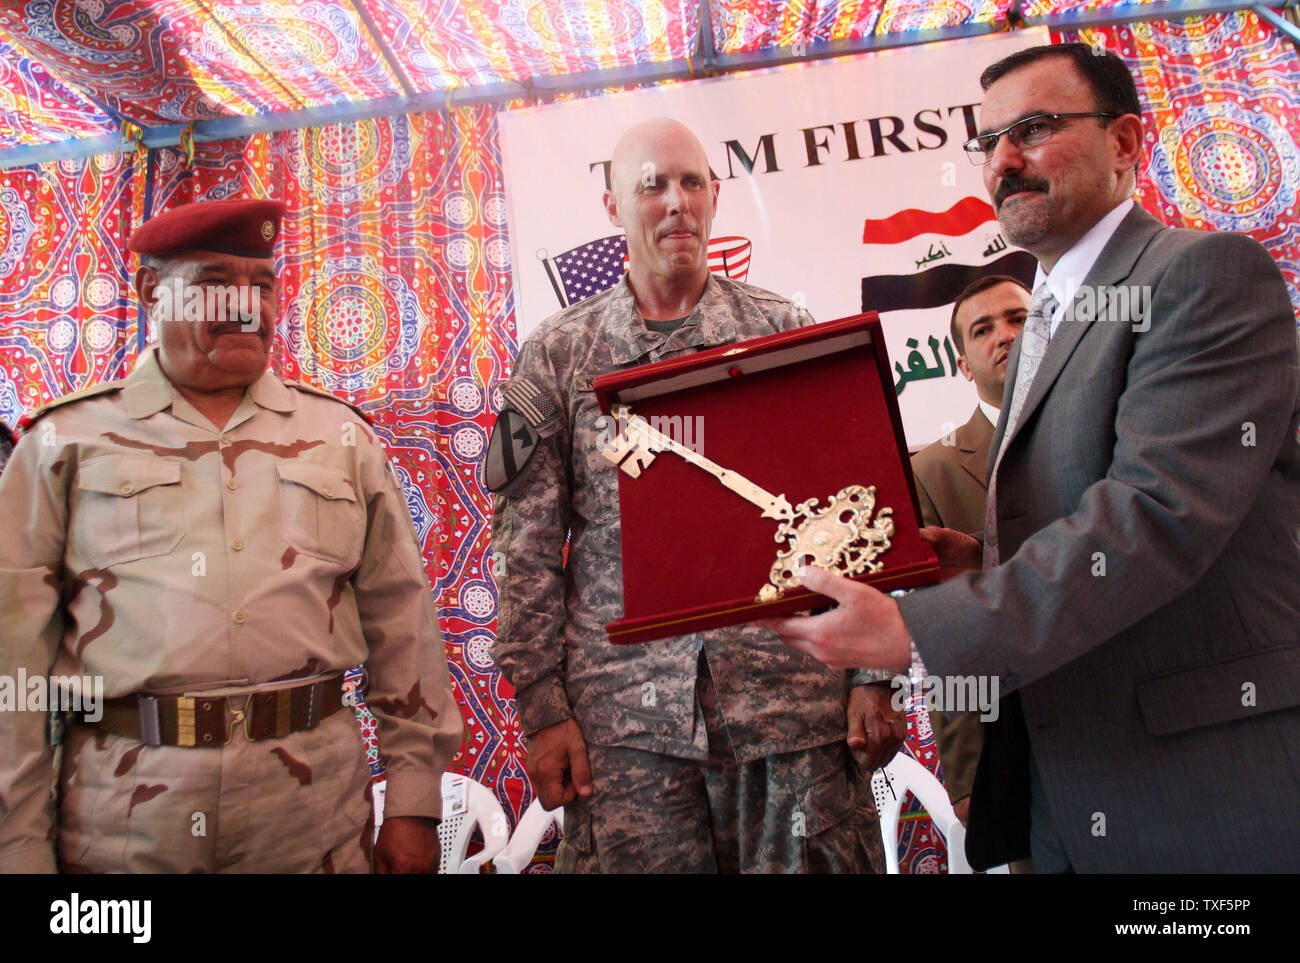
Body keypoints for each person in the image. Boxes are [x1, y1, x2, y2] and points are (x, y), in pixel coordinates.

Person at [760, 44, 1300, 872]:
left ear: (1124, 143)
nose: (1003, 161)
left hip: (1196, 792)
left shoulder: (1202, 276)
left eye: (1035, 128)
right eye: (988, 141)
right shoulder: (1048, 310)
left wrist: (914, 628)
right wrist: (976, 563)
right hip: (1063, 793)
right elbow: (1074, 508)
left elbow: (1153, 519)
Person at [488, 117, 904, 873]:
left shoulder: (780, 330)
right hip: (629, 730)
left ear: (714, 197)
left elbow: (848, 507)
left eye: (692, 183)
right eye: (652, 186)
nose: (676, 202)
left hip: (792, 712)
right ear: (615, 207)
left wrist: (872, 675)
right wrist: (543, 709)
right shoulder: (558, 353)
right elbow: (526, 550)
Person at [0, 197, 463, 873]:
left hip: (310, 817)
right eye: (216, 283)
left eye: (263, 285)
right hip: (123, 824)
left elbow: (405, 626)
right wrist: (17, 847)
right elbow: (14, 665)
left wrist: (415, 803)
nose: (248, 306)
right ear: (151, 292)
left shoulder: (342, 440)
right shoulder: (62, 444)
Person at [910, 274, 1028, 824]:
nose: (1004, 336)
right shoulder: (930, 472)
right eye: (983, 330)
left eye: (1019, 319)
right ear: (962, 364)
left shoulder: (1114, 423)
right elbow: (948, 634)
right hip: (1018, 749)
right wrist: (967, 770)